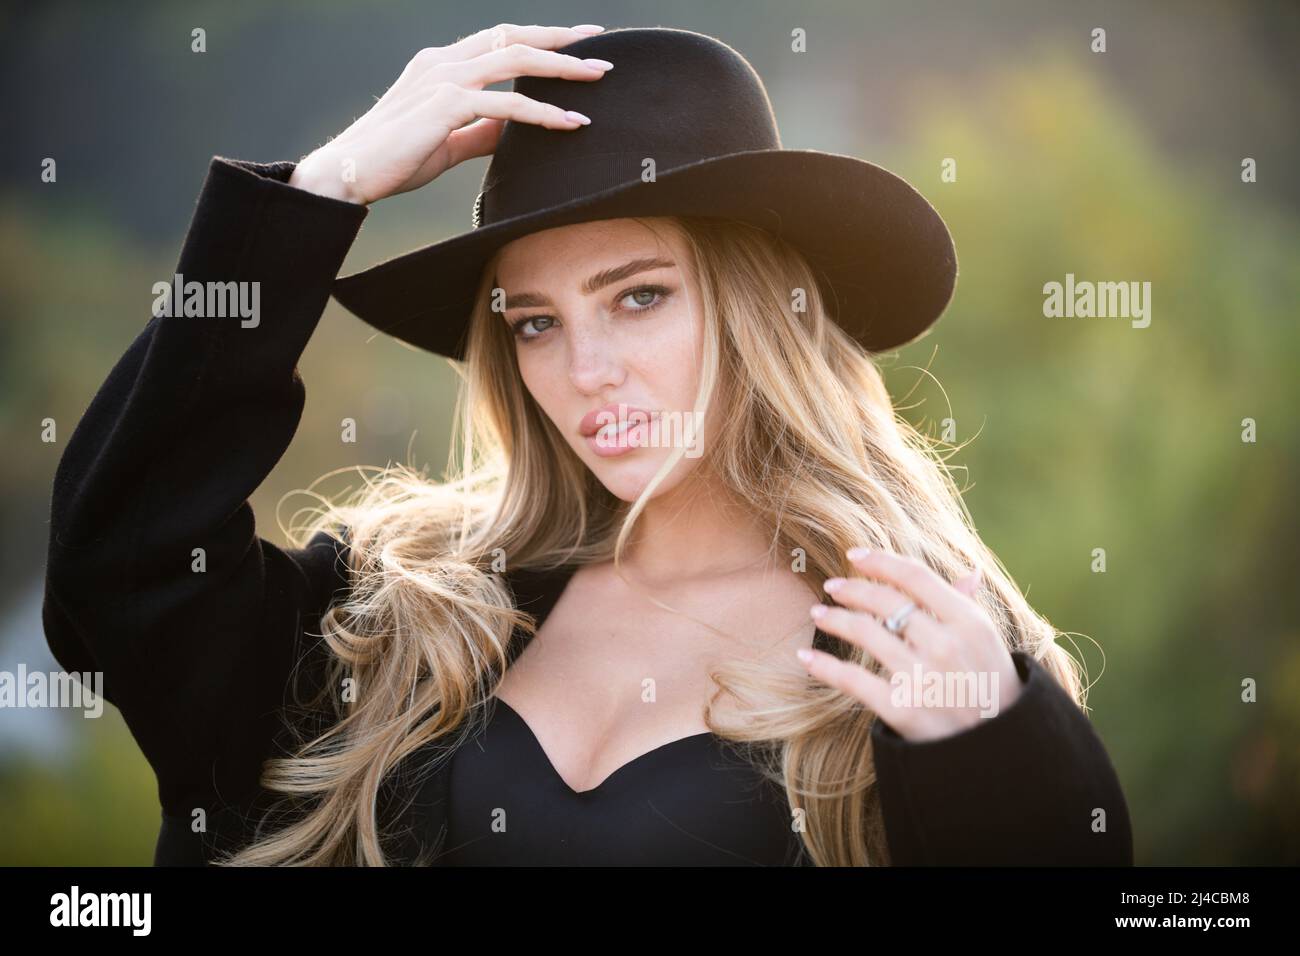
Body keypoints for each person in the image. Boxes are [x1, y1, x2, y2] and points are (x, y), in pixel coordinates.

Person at [41, 23, 1133, 866]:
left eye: (640, 296)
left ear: (760, 312)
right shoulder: (394, 619)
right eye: (535, 322)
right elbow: (120, 565)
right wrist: (320, 192)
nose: (585, 370)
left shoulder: (909, 653)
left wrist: (996, 753)